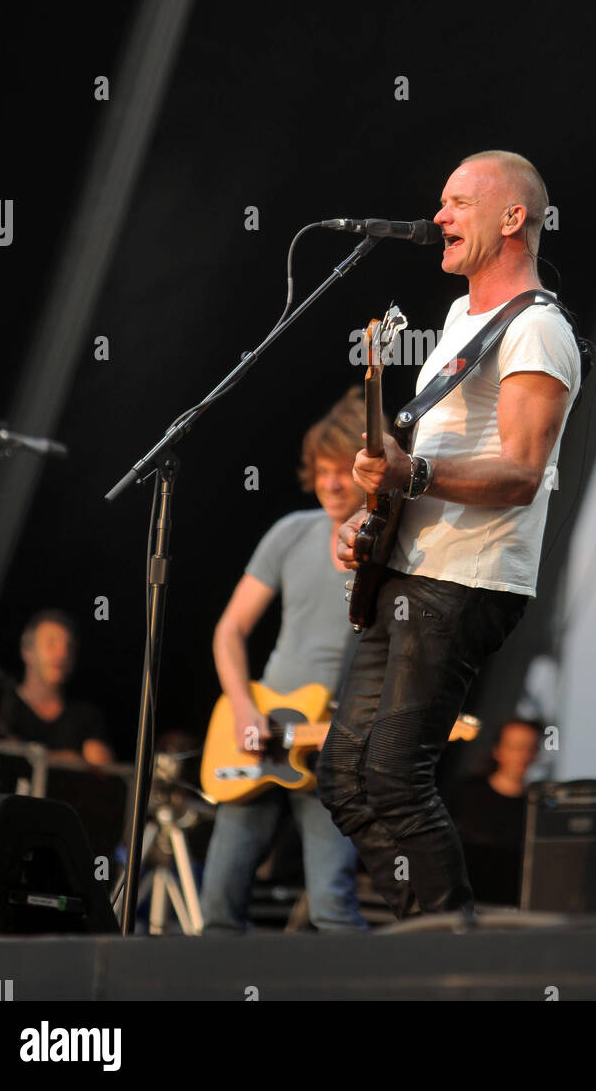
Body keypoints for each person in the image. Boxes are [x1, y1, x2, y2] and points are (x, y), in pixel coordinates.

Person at [318, 149, 581, 920]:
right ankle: (424, 930)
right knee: (345, 778)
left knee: (395, 777)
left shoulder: (537, 330)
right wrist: (375, 512)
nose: (438, 217)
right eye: (440, 202)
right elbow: (428, 459)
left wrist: (413, 480)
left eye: (459, 202)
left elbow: (522, 473)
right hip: (406, 568)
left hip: (465, 580)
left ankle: (451, 955)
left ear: (513, 219)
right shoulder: (465, 321)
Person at [200, 389, 373, 932]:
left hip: (330, 748)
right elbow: (229, 629)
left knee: (332, 906)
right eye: (321, 470)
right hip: (262, 732)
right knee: (217, 910)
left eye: (343, 470)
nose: (330, 483)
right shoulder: (290, 533)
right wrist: (244, 711)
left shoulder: (389, 547)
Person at [447, 717, 543, 907]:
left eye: (530, 748)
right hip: (463, 901)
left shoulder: (537, 806)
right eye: (516, 747)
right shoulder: (466, 792)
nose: (522, 756)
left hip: (509, 905)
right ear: (498, 750)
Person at [6, 609, 114, 765]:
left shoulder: (85, 716)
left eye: (68, 647)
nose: (62, 654)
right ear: (27, 651)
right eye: (51, 644)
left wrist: (27, 755)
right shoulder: (0, 705)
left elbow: (102, 771)